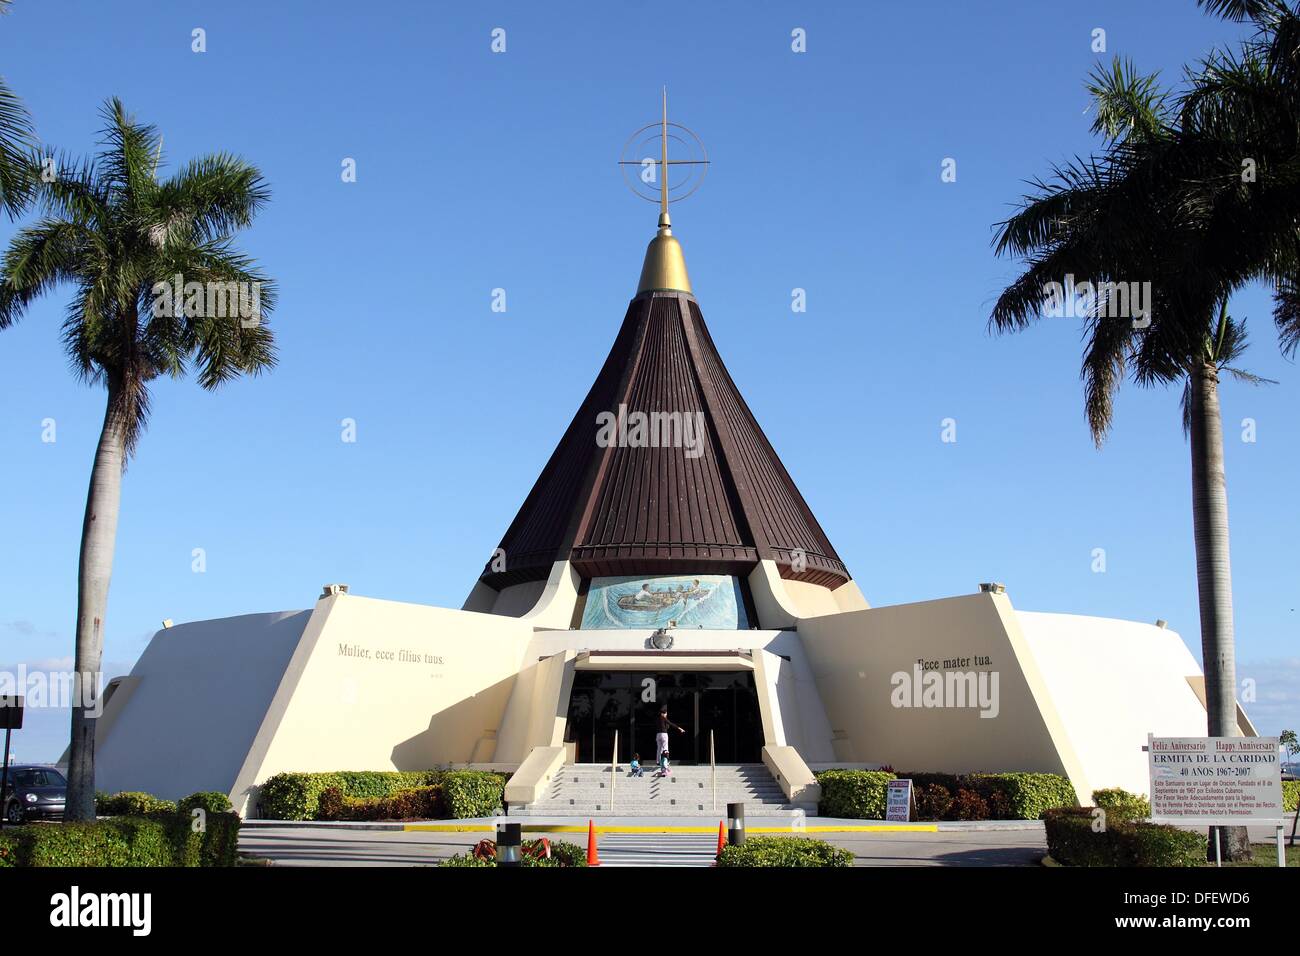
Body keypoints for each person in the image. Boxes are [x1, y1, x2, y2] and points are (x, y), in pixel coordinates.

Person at [655, 704, 685, 775]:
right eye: (665, 714)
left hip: (658, 735)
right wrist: (679, 728)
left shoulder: (657, 719)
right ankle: (666, 762)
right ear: (664, 713)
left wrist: (665, 726)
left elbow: (661, 725)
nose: (666, 715)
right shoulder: (664, 718)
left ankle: (658, 761)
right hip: (664, 734)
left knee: (659, 749)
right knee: (665, 749)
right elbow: (671, 724)